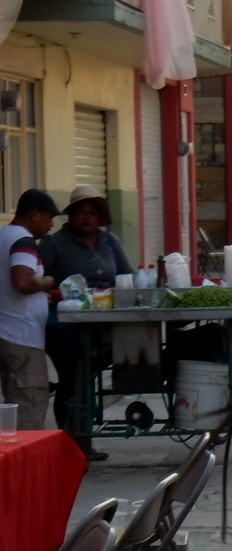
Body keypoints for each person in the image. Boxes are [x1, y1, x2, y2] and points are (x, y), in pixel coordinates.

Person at [39, 186, 130, 460]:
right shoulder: (54, 244)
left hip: (103, 325)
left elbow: (126, 276)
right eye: (79, 212)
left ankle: (83, 443)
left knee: (87, 380)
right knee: (71, 380)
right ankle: (69, 447)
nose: (86, 217)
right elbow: (36, 280)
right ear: (70, 216)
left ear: (100, 217)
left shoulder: (110, 242)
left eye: (91, 212)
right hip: (62, 326)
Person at [0, 190, 60, 430]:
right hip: (21, 337)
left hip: (7, 333)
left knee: (13, 403)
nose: (51, 224)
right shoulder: (23, 241)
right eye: (49, 217)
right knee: (29, 406)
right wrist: (47, 282)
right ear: (35, 214)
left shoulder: (3, 235)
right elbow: (22, 282)